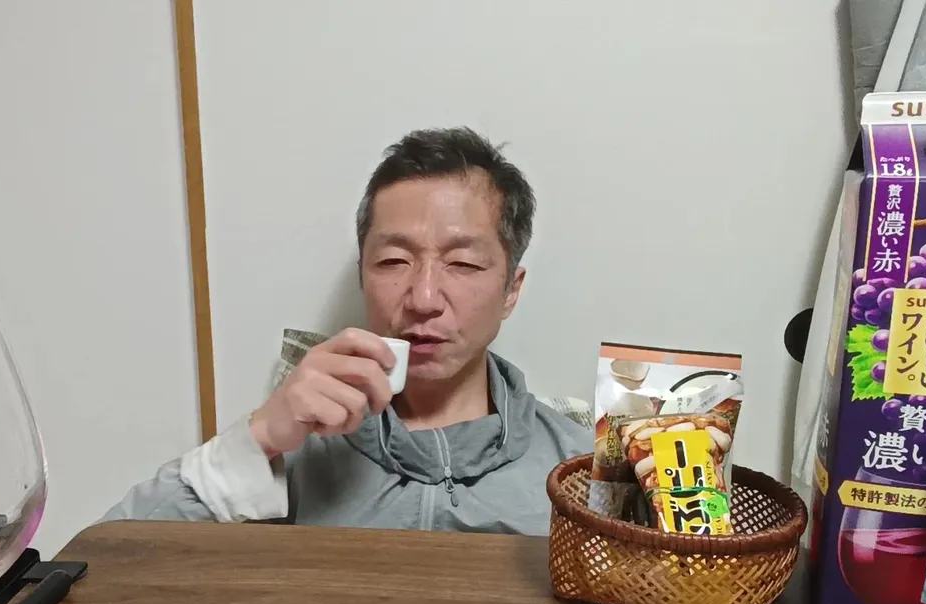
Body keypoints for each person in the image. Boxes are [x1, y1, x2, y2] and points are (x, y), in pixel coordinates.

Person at [100, 127, 594, 535]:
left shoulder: (578, 470)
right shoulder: (295, 446)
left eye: (463, 263)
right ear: (363, 275)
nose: (423, 298)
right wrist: (257, 439)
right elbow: (105, 563)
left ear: (511, 290)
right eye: (393, 261)